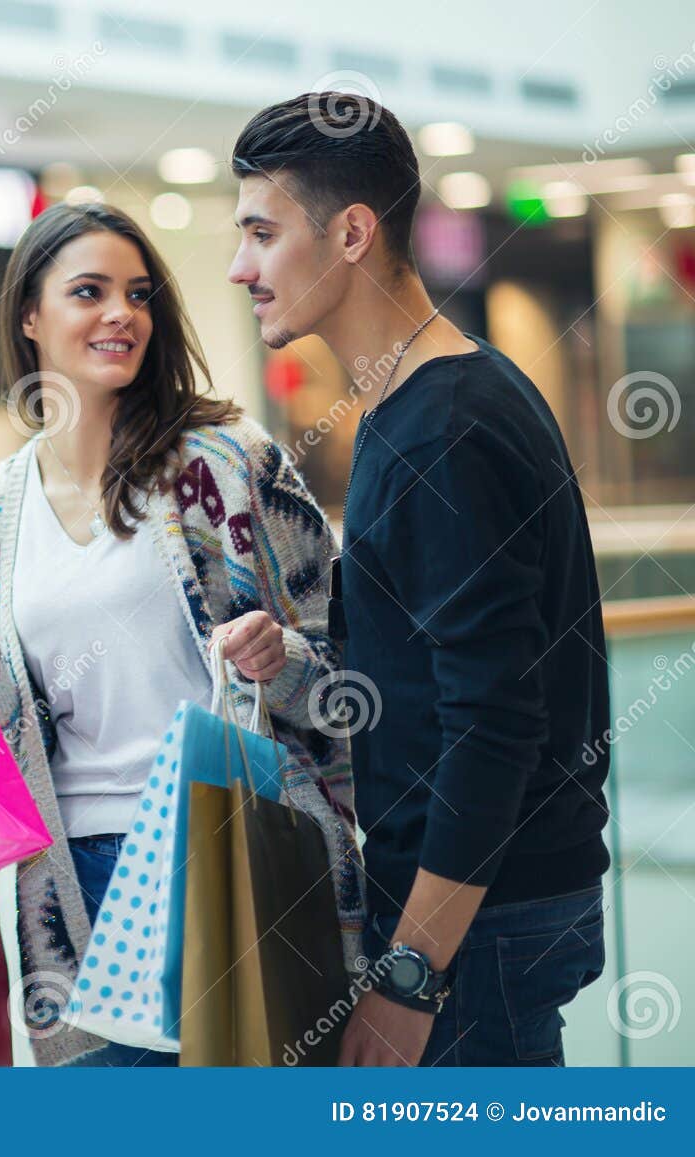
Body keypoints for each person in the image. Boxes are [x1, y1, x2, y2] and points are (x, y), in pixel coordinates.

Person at [228, 93, 609, 1066]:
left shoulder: (446, 426)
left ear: (351, 231)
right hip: (476, 914)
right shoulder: (423, 402)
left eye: (261, 233)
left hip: (477, 928)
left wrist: (410, 972)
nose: (241, 267)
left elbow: (493, 723)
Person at [0, 201, 364, 1067]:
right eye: (89, 292)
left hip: (233, 852)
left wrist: (278, 658)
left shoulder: (230, 461)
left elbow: (348, 672)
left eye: (138, 294)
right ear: (29, 315)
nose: (121, 314)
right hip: (73, 890)